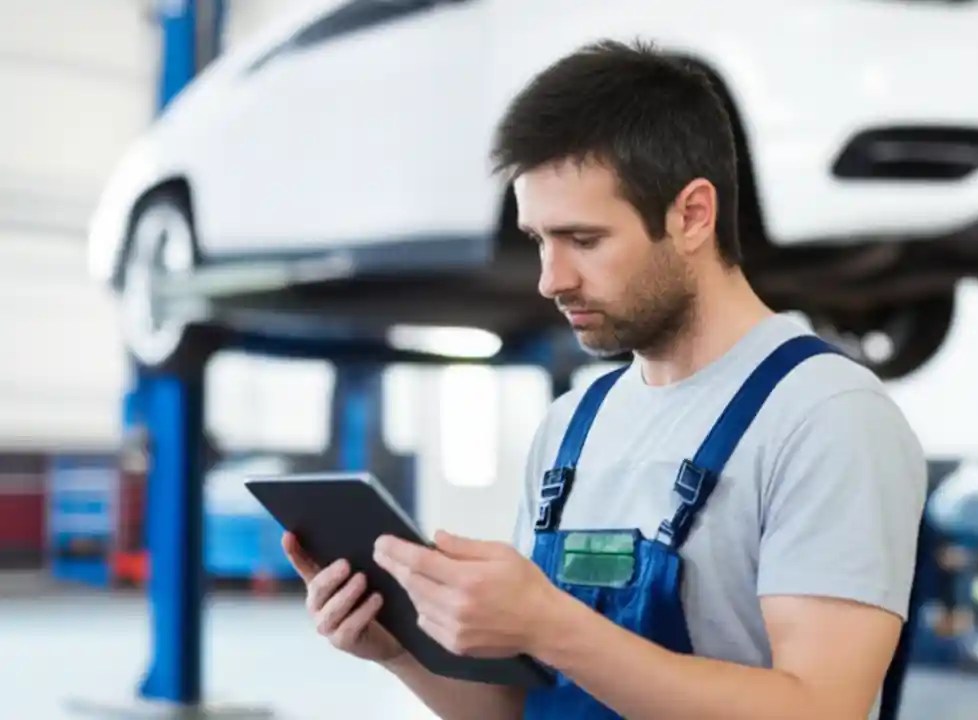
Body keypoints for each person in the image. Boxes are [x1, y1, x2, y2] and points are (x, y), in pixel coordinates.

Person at [282, 38, 927, 720]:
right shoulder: (573, 425)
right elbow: (514, 708)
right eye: (539, 240)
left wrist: (548, 622)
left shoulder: (827, 416)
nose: (550, 279)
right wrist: (397, 648)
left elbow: (820, 709)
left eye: (584, 240)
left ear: (692, 215)